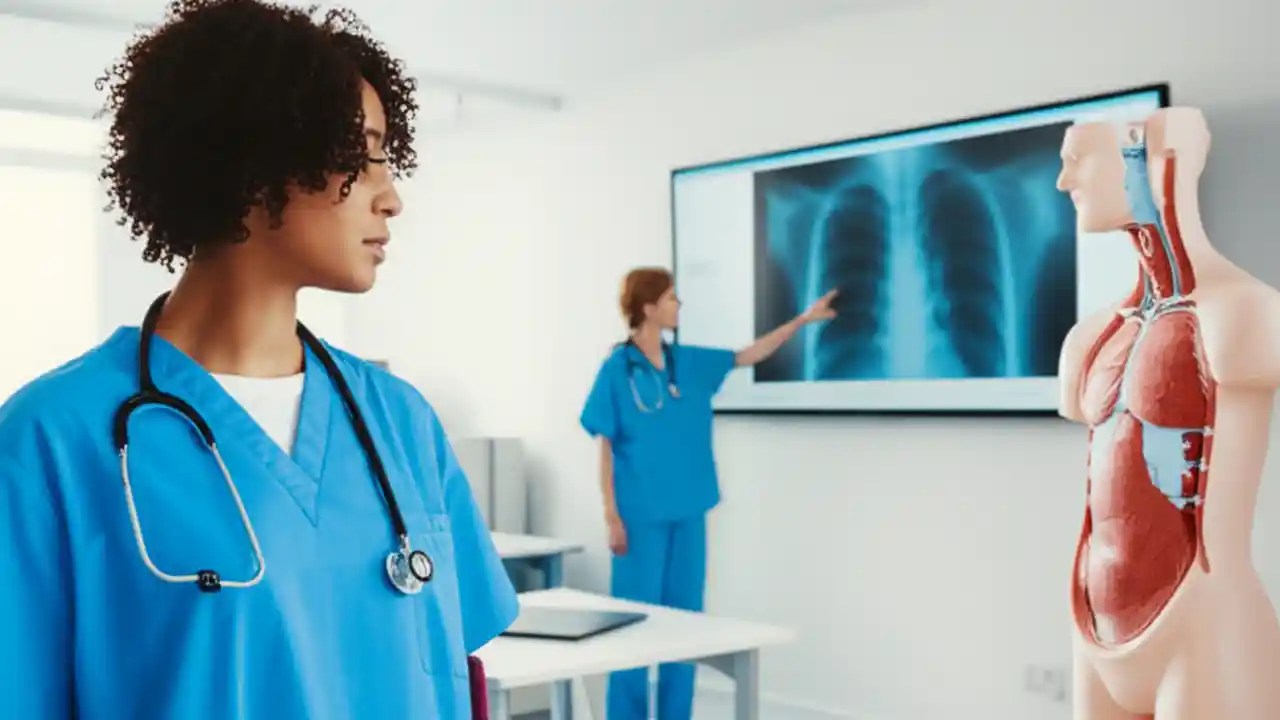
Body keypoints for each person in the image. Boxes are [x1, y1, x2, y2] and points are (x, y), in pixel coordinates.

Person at [0, 2, 516, 718]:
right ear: (253, 162)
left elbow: (461, 671)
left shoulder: (401, 422)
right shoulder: (50, 441)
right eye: (361, 155)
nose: (390, 197)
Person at [579, 267, 836, 720]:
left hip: (688, 511)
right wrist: (611, 515)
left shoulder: (689, 363)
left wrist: (802, 321)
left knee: (686, 630)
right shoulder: (617, 371)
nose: (680, 305)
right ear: (649, 307)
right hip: (639, 519)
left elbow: (748, 355)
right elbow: (605, 448)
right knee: (633, 632)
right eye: (672, 298)